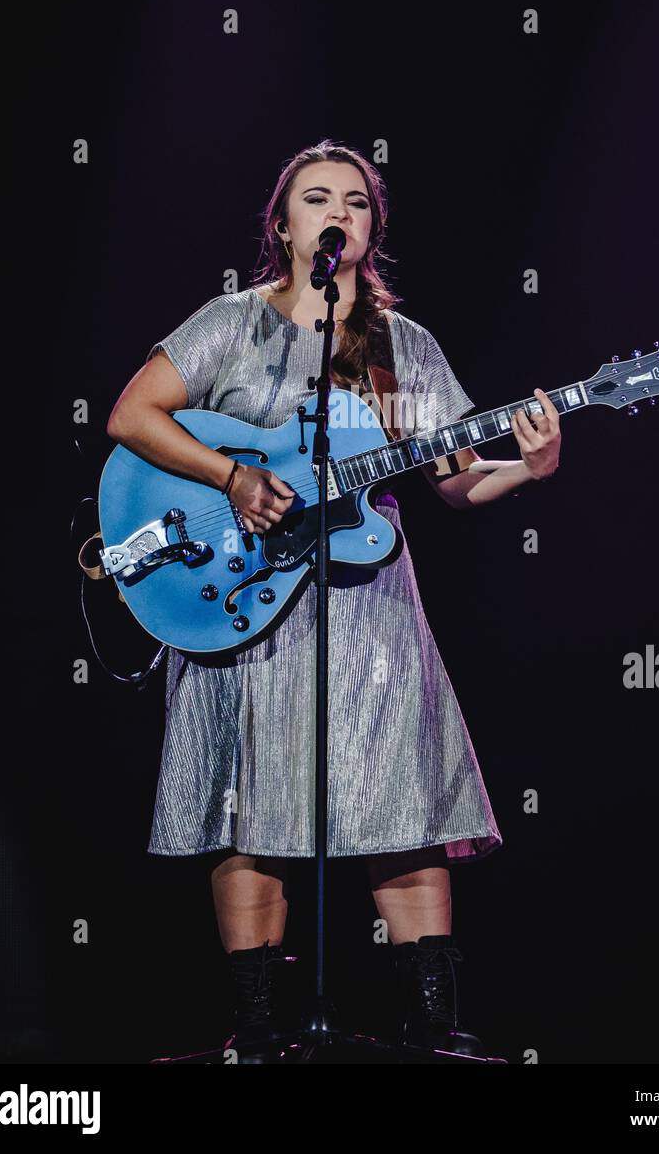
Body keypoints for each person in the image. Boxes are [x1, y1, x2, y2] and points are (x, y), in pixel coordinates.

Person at [106, 139, 561, 1059]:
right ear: (284, 224)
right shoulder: (233, 322)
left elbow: (452, 480)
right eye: (317, 199)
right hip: (244, 598)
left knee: (404, 801)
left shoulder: (405, 347)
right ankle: (260, 1030)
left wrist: (530, 465)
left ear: (371, 227)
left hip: (370, 611)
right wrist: (234, 477)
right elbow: (131, 417)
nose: (337, 213)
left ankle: (434, 1027)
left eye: (355, 201)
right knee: (252, 806)